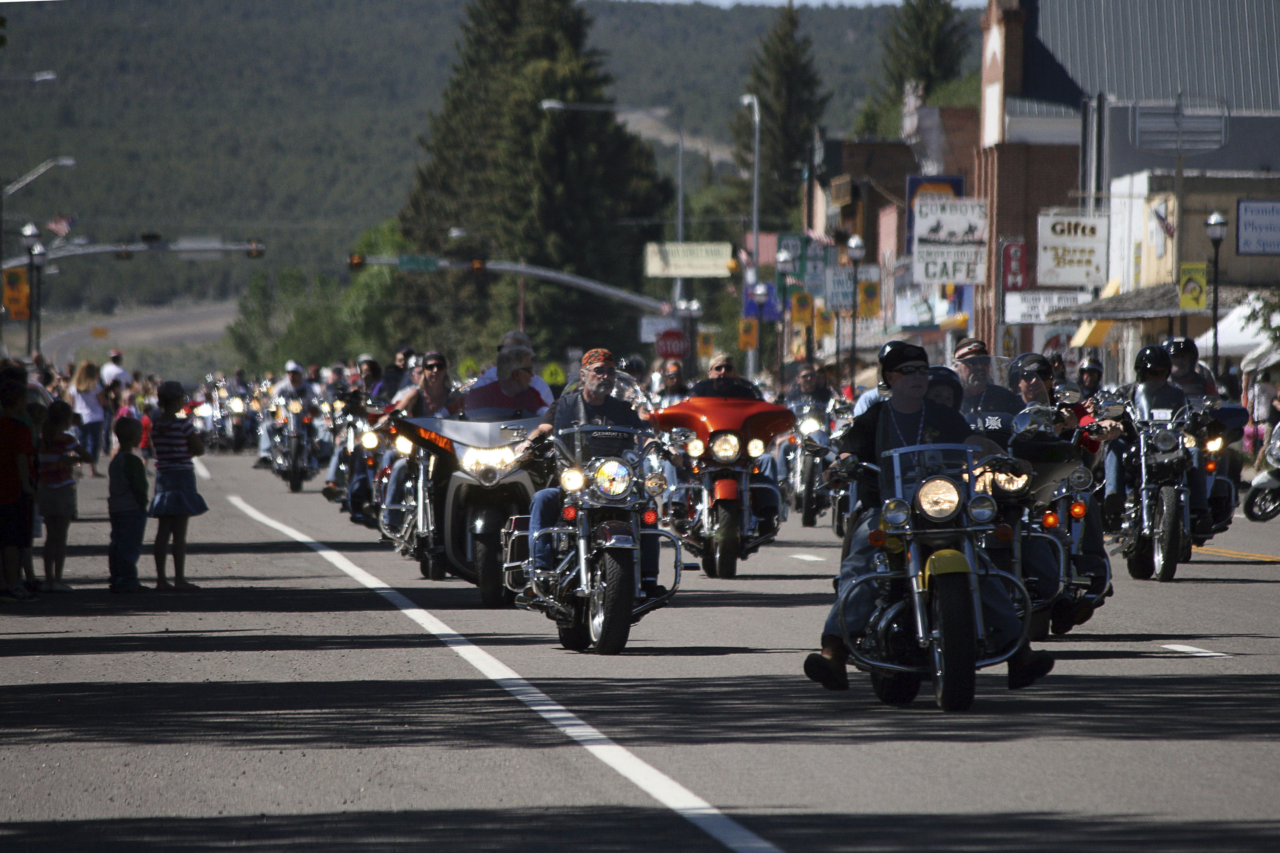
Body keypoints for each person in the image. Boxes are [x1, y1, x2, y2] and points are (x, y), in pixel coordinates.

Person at [803, 341, 1053, 693]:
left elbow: (973, 440)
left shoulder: (940, 414)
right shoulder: (875, 417)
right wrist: (841, 463)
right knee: (862, 562)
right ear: (890, 377)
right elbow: (849, 449)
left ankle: (1019, 653)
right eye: (908, 371)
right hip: (889, 510)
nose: (917, 377)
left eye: (922, 370)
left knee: (982, 564)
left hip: (940, 508)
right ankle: (834, 651)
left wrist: (1004, 458)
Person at [520, 349, 663, 596]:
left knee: (647, 506)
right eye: (598, 370)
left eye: (609, 371)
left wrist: (665, 446)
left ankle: (649, 578)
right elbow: (544, 427)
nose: (605, 376)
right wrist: (528, 443)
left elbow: (644, 435)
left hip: (614, 483)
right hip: (574, 483)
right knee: (542, 499)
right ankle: (540, 572)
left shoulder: (622, 409)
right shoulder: (565, 406)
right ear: (584, 375)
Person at [1102, 346, 1209, 530]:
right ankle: (1113, 500)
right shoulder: (1127, 393)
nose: (1158, 377)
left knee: (1194, 452)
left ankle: (1199, 511)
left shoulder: (1176, 394)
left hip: (1168, 444)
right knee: (1114, 445)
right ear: (1142, 372)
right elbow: (1111, 410)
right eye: (1153, 372)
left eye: (1163, 372)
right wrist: (1113, 417)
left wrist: (1200, 418)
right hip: (1136, 443)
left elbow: (1188, 411)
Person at [150, 380, 208, 591]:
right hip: (182, 476)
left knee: (163, 531)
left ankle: (161, 579)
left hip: (164, 477)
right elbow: (198, 448)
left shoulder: (157, 425)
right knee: (179, 533)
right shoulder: (182, 424)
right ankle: (179, 578)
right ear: (176, 401)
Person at [36, 400, 92, 592]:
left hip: (44, 490)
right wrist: (72, 460)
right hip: (63, 489)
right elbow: (89, 457)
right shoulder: (67, 440)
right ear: (67, 420)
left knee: (50, 536)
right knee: (61, 537)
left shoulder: (41, 440)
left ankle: (48, 579)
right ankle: (58, 579)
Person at [0, 380, 37, 603]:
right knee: (13, 541)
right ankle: (14, 582)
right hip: (13, 489)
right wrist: (27, 485)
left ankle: (2, 583)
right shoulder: (19, 429)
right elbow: (21, 458)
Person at [107, 417, 150, 593]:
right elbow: (140, 485)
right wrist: (143, 503)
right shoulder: (133, 461)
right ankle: (128, 578)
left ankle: (116, 575)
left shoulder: (116, 460)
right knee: (130, 545)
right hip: (131, 508)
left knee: (117, 542)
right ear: (134, 438)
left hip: (116, 507)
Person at [255, 360, 320, 467]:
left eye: (294, 373)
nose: (292, 375)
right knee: (266, 426)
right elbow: (272, 401)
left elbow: (315, 404)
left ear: (300, 374)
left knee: (320, 425)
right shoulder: (281, 387)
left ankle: (322, 456)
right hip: (285, 418)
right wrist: (269, 404)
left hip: (303, 419)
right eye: (289, 372)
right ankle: (265, 455)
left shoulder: (307, 388)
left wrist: (311, 414)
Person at [471, 330, 556, 408]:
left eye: (516, 352)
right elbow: (472, 413)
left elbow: (547, 417)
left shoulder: (539, 386)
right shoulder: (486, 380)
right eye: (505, 350)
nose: (509, 355)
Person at [464, 346, 547, 414]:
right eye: (529, 370)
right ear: (516, 374)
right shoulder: (478, 396)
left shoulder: (531, 396)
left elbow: (546, 419)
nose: (532, 375)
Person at [953, 338, 1022, 416]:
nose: (980, 367)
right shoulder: (951, 397)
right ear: (956, 366)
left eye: (984, 362)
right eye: (972, 363)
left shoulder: (1004, 397)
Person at [69, 359, 109, 477]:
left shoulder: (74, 386)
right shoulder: (95, 385)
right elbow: (102, 402)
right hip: (95, 417)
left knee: (81, 442)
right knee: (94, 443)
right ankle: (93, 469)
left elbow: (72, 403)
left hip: (80, 417)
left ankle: (79, 467)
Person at [1247, 370, 1276, 467]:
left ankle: (1255, 457)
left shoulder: (1255, 388)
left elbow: (1250, 402)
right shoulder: (1271, 389)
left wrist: (1250, 415)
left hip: (1257, 415)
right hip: (1268, 415)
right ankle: (1262, 461)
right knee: (1266, 441)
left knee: (1257, 439)